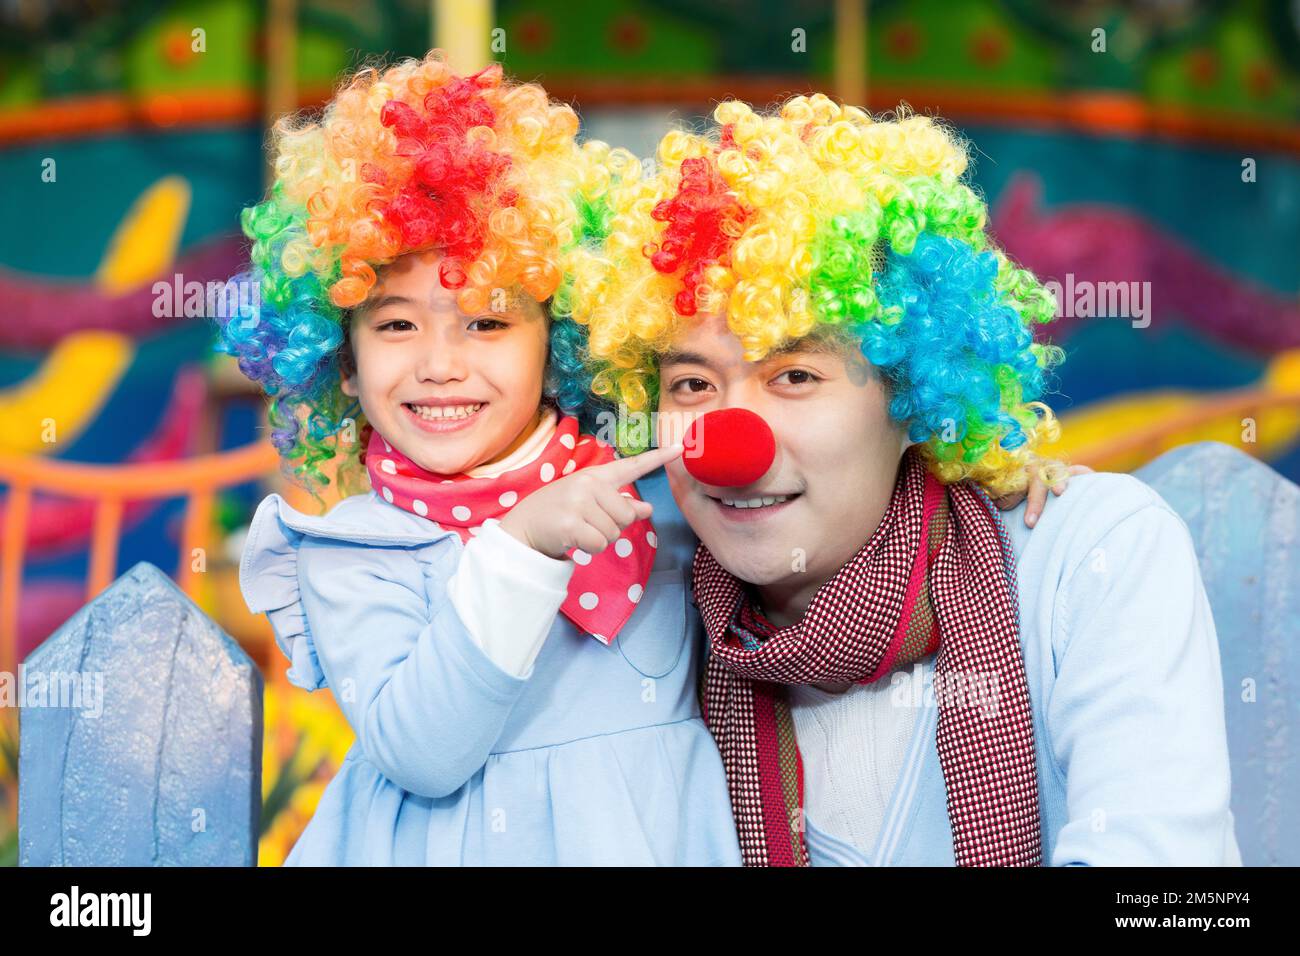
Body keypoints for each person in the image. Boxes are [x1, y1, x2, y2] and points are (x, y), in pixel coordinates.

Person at [565, 94, 1242, 866]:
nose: (728, 441)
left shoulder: (1091, 555)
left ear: (915, 394)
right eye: (690, 386)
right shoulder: (643, 603)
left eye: (794, 374)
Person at [216, 52, 742, 865]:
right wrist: (522, 548)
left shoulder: (653, 494)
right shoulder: (355, 549)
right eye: (396, 326)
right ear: (344, 362)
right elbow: (424, 756)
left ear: (560, 343)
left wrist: (986, 470)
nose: (439, 364)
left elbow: (809, 522)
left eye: (487, 323)